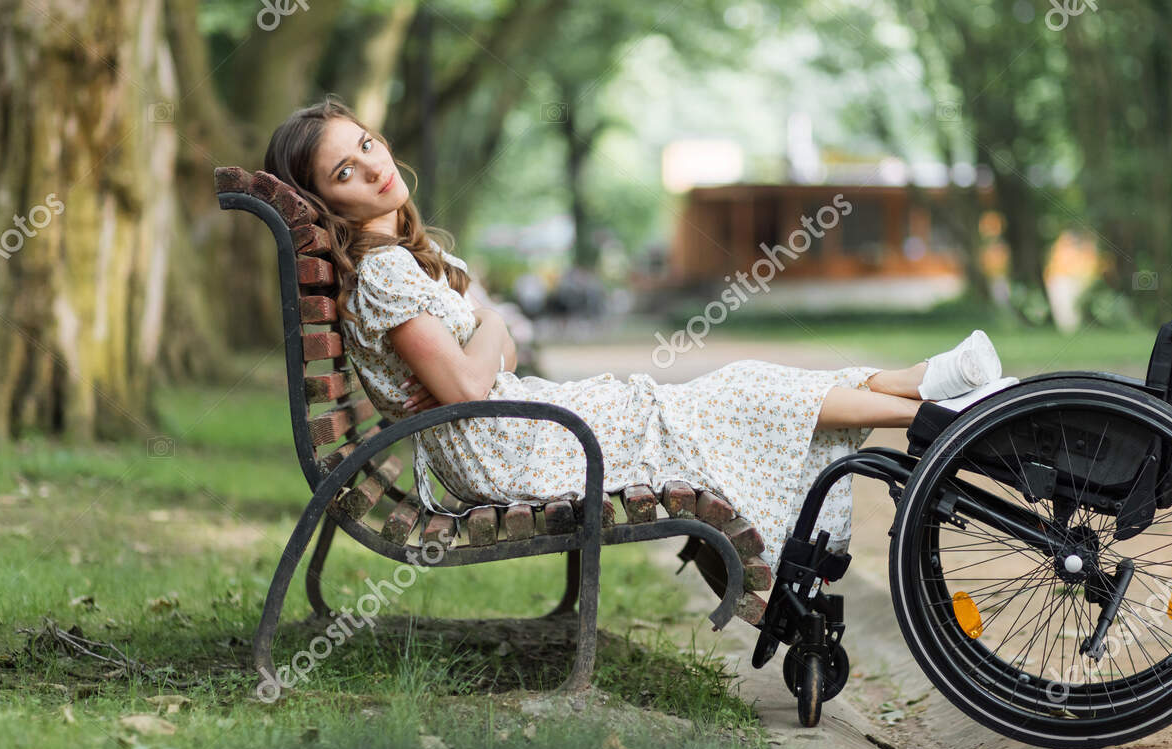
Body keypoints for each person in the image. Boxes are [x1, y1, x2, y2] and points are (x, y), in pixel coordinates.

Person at [262, 95, 1015, 572]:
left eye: (366, 144)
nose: (371, 166)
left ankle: (928, 386)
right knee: (743, 390)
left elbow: (499, 360)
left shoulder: (409, 262)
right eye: (343, 171)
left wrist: (490, 338)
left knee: (743, 386)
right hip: (512, 452)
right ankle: (943, 406)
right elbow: (467, 381)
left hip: (522, 429)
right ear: (324, 202)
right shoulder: (389, 276)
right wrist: (490, 320)